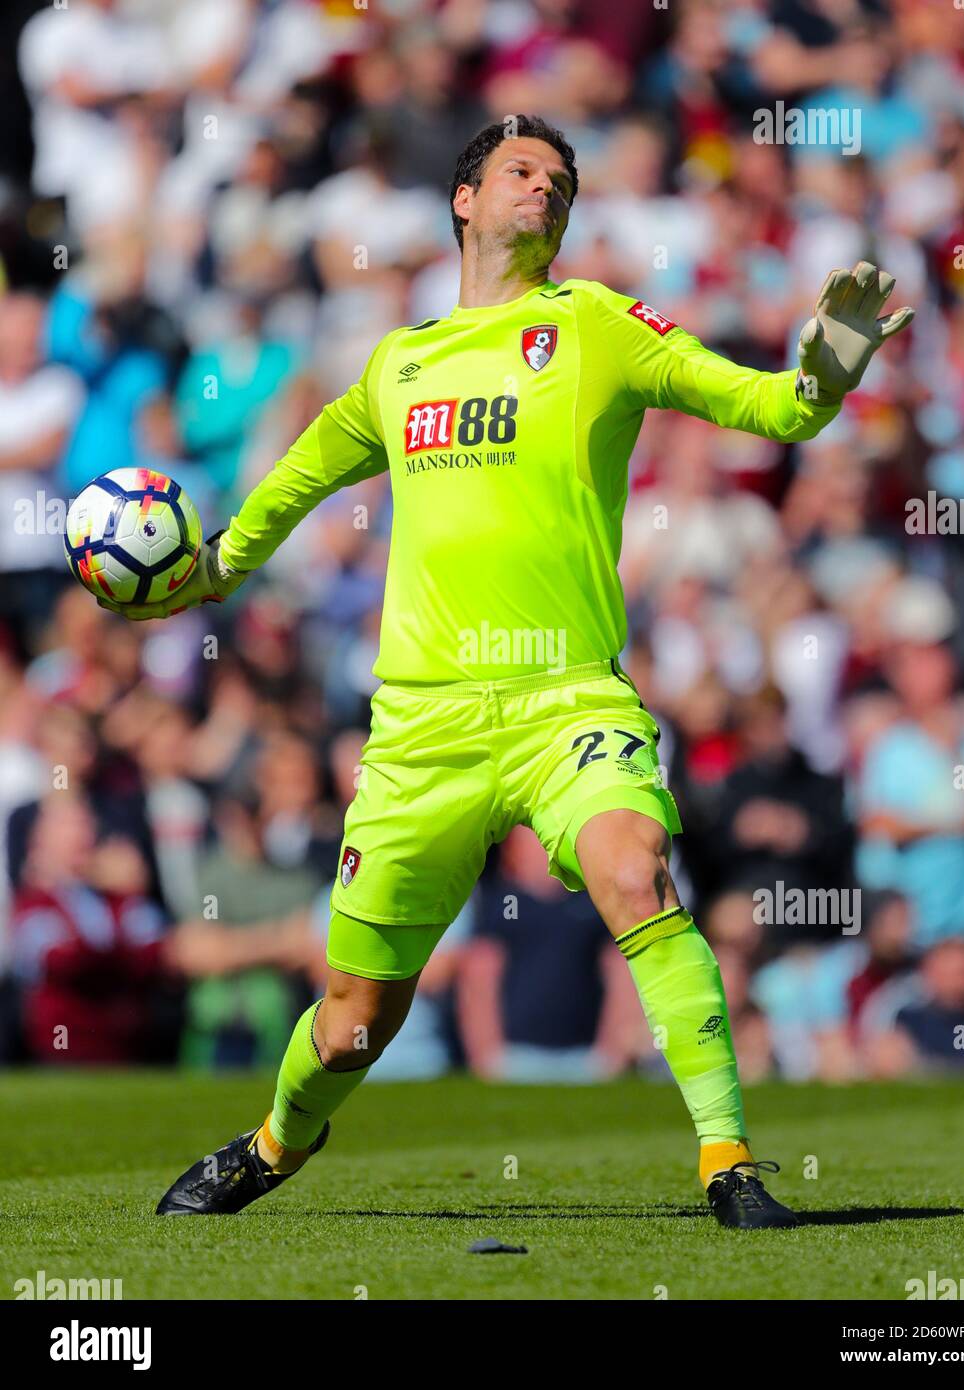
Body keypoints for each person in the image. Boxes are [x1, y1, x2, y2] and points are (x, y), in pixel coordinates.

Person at [97, 116, 913, 1228]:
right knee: (349, 1024)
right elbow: (294, 482)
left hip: (564, 695)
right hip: (421, 724)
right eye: (520, 171)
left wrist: (819, 375)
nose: (544, 186)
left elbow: (761, 404)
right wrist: (216, 567)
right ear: (465, 201)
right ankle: (273, 1143)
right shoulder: (399, 362)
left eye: (560, 179)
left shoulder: (595, 325)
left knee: (637, 870)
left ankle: (727, 1161)